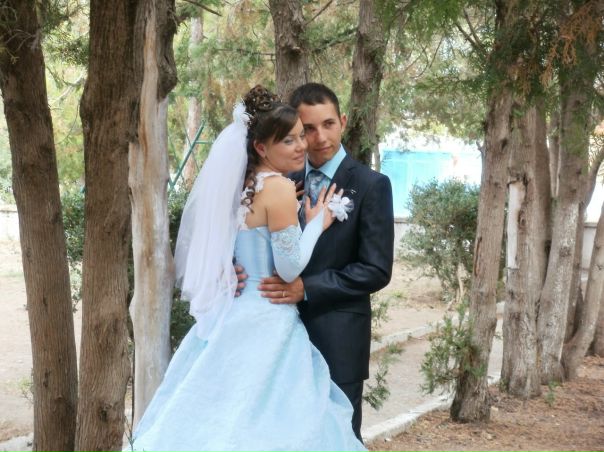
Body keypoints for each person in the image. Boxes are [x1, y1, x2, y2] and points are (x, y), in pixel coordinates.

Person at [125, 85, 366, 452]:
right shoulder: (280, 188)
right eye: (289, 140)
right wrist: (318, 222)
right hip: (268, 319)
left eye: (300, 136)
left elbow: (221, 247)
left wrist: (226, 271)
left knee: (222, 419)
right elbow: (289, 269)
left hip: (232, 316)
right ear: (261, 147)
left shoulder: (242, 187)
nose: (301, 146)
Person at [257, 83, 395, 440]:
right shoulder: (277, 182)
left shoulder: (371, 185)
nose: (320, 138)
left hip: (338, 338)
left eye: (328, 124)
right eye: (308, 129)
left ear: (343, 122)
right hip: (277, 338)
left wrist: (306, 287)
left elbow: (376, 269)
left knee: (337, 438)